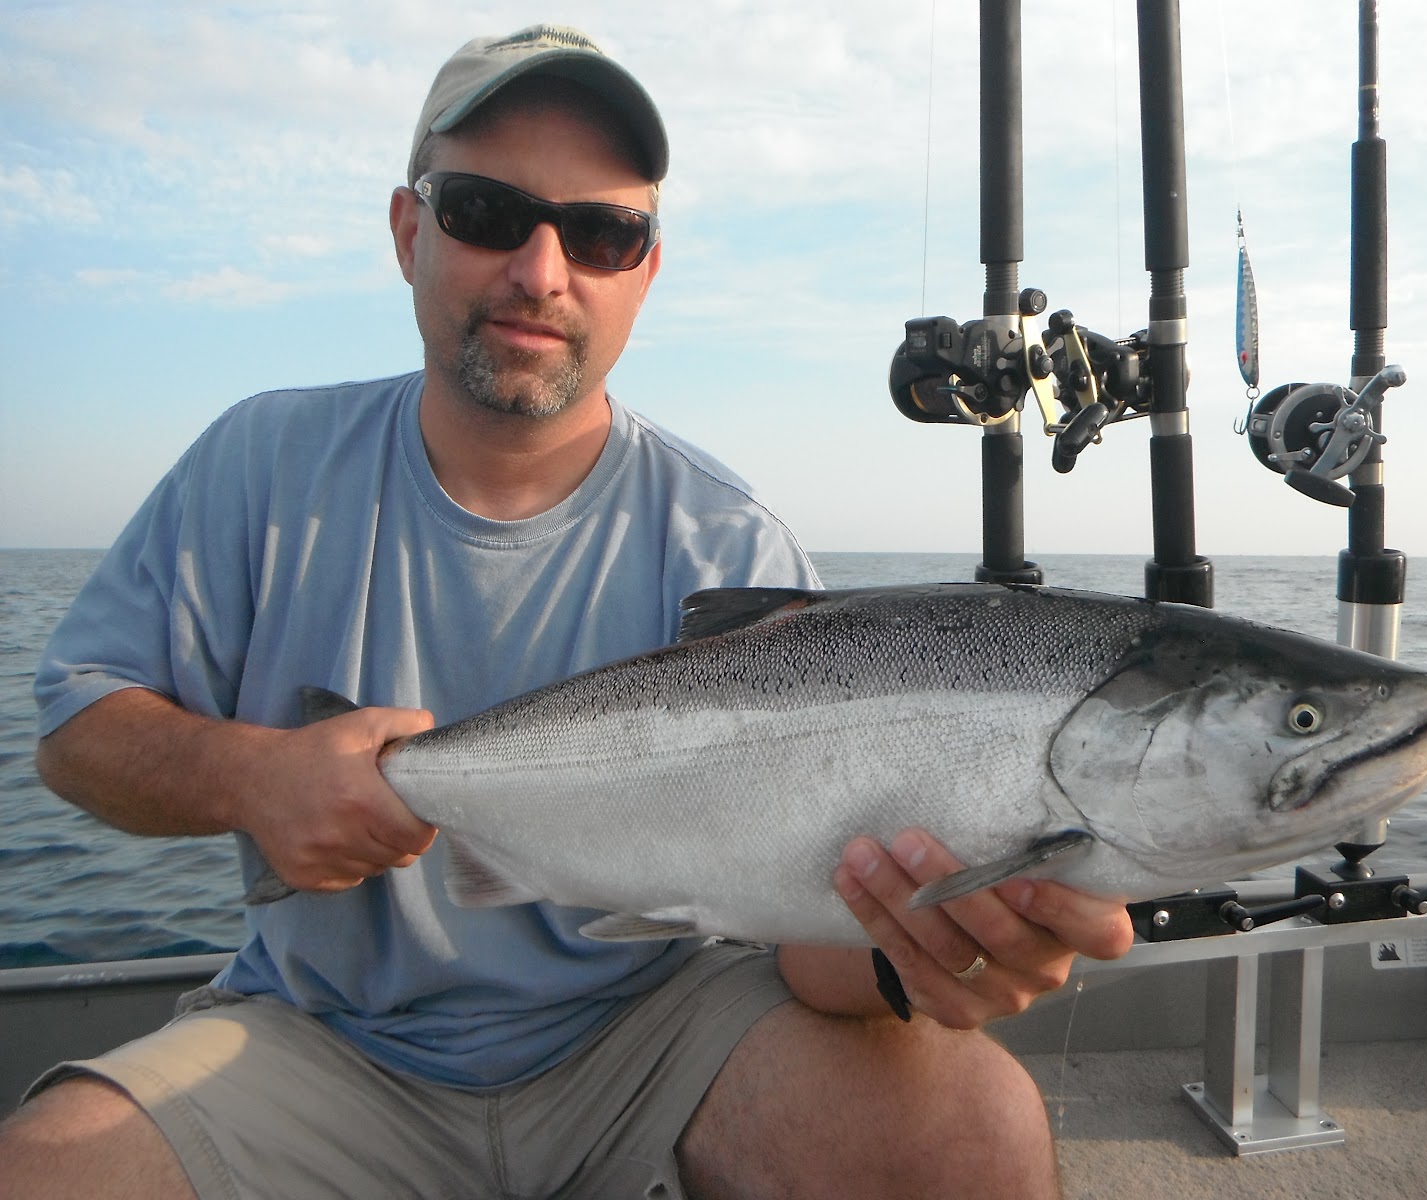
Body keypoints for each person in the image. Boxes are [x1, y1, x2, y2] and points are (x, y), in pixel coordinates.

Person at [0, 23, 1133, 1200]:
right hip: (319, 1035)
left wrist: (924, 957)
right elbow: (78, 732)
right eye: (487, 213)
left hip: (656, 1028)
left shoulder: (732, 546)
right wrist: (253, 778)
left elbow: (807, 957)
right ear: (407, 233)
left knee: (975, 1130)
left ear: (645, 271)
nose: (542, 271)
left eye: (601, 231)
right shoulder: (259, 466)